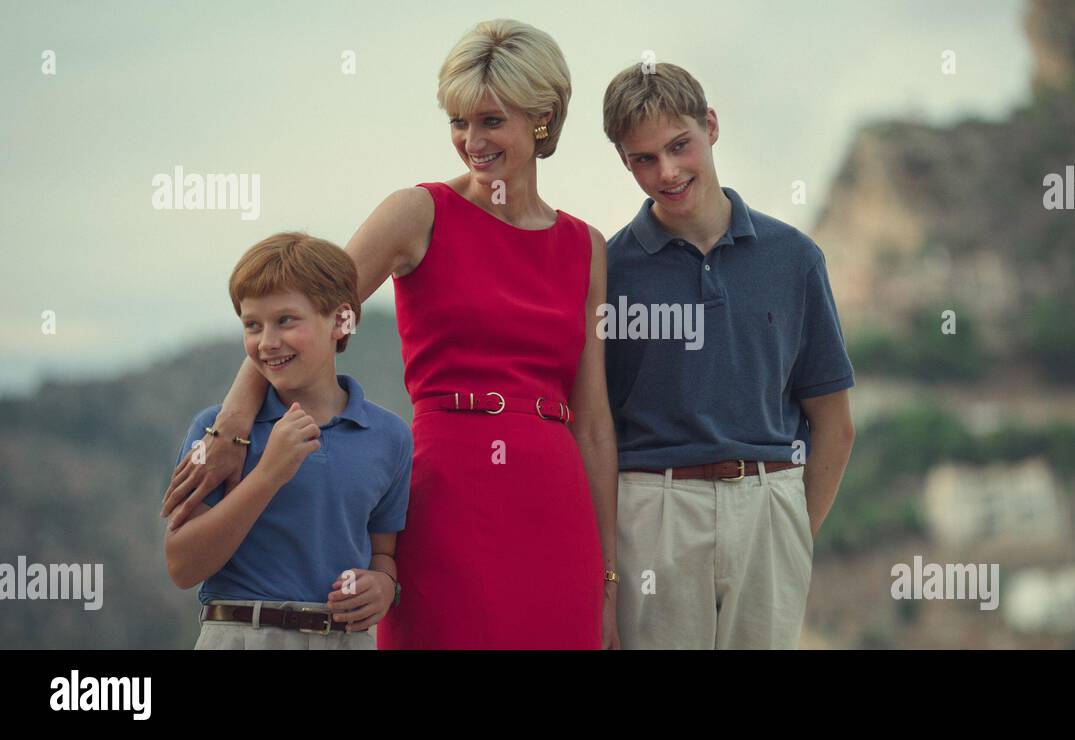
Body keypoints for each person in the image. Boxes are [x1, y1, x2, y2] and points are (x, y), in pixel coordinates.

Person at [161, 19, 620, 649]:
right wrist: (234, 426)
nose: (471, 140)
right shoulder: (418, 213)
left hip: (555, 507)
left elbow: (593, 423)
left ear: (542, 118)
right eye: (458, 121)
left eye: (491, 120)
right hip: (449, 494)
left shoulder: (586, 248)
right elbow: (306, 312)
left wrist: (610, 579)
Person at [601, 62, 856, 649]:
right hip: (651, 514)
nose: (666, 172)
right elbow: (596, 426)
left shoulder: (794, 259)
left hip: (769, 504)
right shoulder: (607, 271)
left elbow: (834, 426)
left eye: (679, 146)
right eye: (643, 159)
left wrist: (790, 531)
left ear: (710, 126)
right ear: (625, 162)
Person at [164, 232, 412, 649]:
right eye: (252, 325)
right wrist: (267, 476)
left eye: (286, 320)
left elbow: (383, 552)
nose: (267, 342)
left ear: (341, 321)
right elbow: (183, 566)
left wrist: (384, 585)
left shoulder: (389, 437)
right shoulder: (217, 434)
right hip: (241, 636)